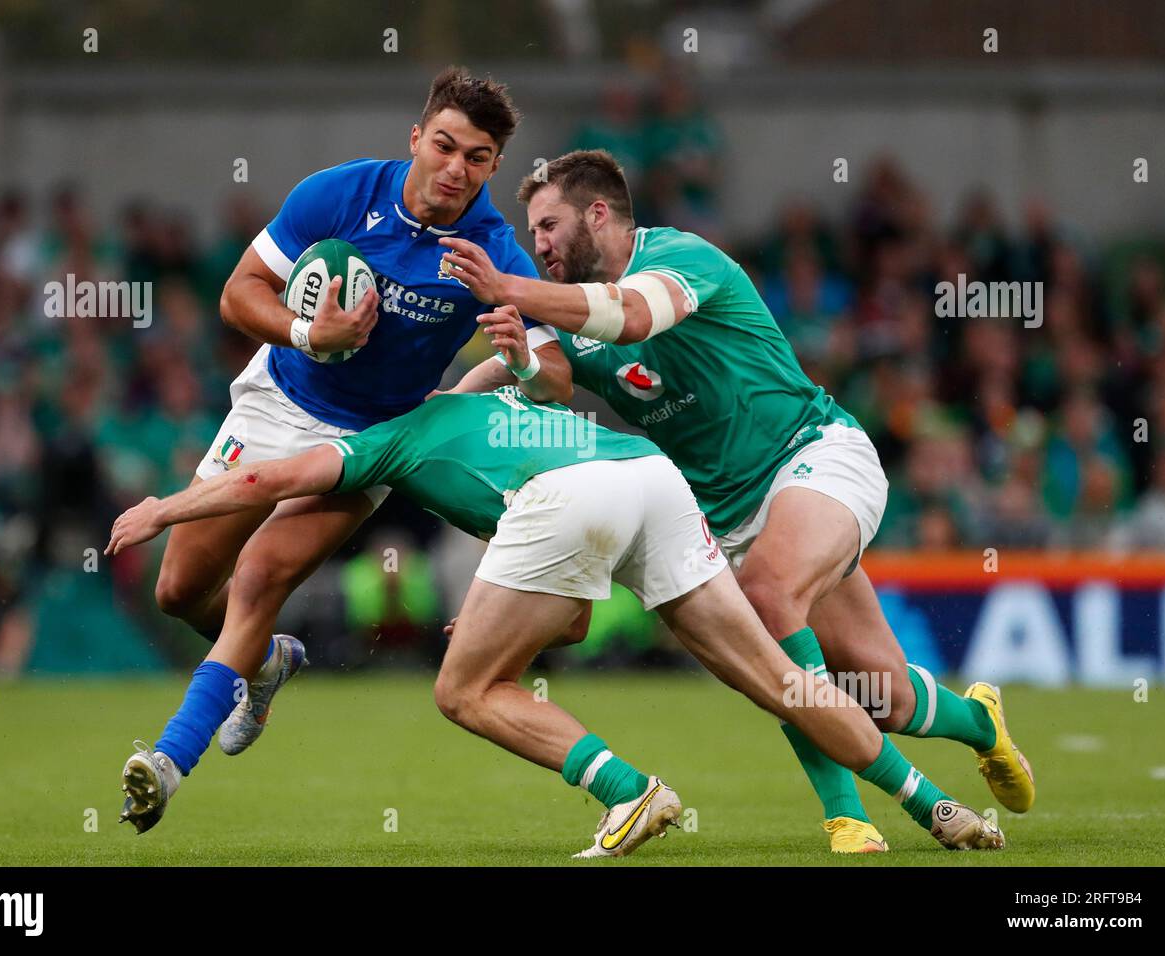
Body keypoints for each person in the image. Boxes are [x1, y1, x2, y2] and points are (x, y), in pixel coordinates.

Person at [107, 387, 1004, 858]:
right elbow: (572, 616)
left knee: (462, 691)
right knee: (777, 678)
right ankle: (939, 806)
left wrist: (166, 509)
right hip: (647, 476)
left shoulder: (380, 437)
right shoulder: (478, 402)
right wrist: (511, 627)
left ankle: (629, 793)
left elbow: (266, 481)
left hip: (566, 502)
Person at [436, 149, 1034, 853]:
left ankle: (849, 813)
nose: (537, 244)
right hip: (731, 516)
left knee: (769, 595)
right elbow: (546, 374)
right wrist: (441, 409)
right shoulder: (568, 315)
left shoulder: (682, 260)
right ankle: (980, 724)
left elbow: (629, 318)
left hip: (812, 456)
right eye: (531, 232)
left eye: (549, 225)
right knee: (887, 697)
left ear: (599, 214)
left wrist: (506, 285)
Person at [152, 68, 571, 755]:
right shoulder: (340, 193)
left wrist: (523, 357)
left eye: (477, 158)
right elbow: (238, 295)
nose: (456, 169)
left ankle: (172, 755)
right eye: (443, 145)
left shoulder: (491, 249)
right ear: (416, 137)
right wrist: (310, 333)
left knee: (260, 575)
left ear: (495, 163)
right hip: (279, 397)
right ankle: (265, 662)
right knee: (178, 589)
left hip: (370, 439)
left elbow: (556, 379)